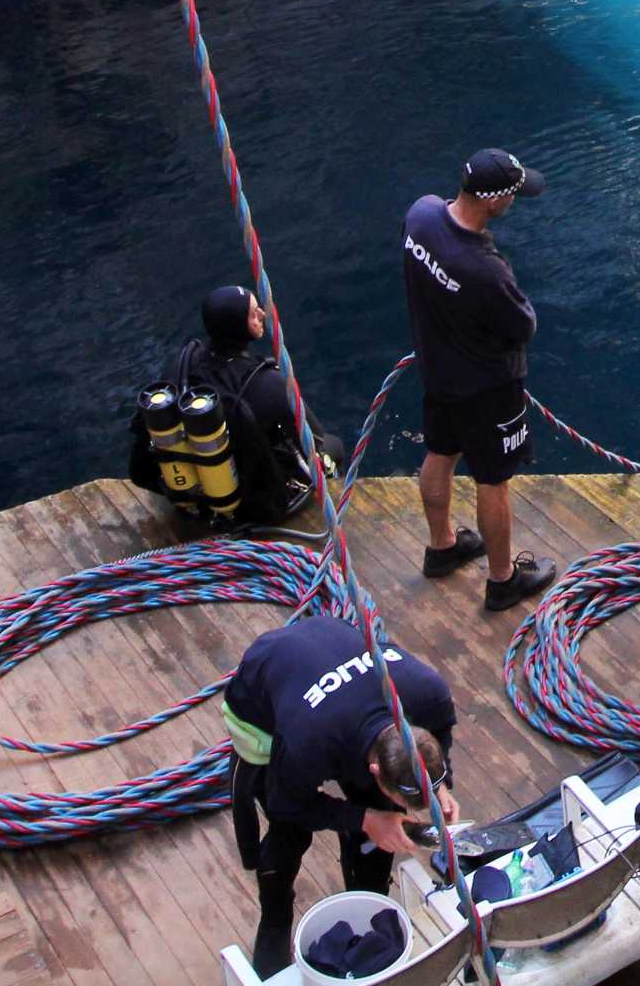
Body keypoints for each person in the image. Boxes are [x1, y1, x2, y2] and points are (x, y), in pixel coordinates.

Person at [223, 613, 458, 977]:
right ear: (374, 770)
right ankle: (275, 912)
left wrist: (442, 784)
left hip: (330, 653)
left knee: (379, 816)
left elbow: (440, 735)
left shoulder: (430, 693)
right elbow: (287, 803)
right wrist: (365, 819)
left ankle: (367, 891)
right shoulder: (308, 743)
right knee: (290, 831)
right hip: (262, 694)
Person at [402, 148, 560, 612]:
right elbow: (524, 326)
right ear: (494, 201)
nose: (515, 200)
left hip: (437, 371)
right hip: (487, 388)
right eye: (513, 193)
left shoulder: (421, 215)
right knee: (493, 480)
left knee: (440, 451)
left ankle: (442, 546)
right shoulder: (484, 269)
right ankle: (502, 579)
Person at [126, 285, 311, 527]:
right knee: (333, 449)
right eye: (254, 313)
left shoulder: (181, 365)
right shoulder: (268, 382)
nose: (263, 315)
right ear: (238, 326)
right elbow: (309, 442)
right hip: (251, 503)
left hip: (188, 493)